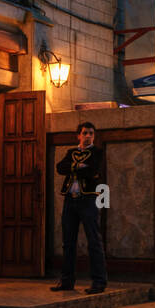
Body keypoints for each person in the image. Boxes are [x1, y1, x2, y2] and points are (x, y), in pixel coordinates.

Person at [50, 122, 108, 293]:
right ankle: (67, 281)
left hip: (88, 199)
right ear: (79, 135)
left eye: (91, 133)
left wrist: (75, 169)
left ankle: (99, 282)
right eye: (85, 133)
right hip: (70, 199)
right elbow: (60, 168)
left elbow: (93, 171)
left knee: (94, 241)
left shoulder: (97, 152)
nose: (88, 136)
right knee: (68, 242)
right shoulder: (71, 152)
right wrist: (79, 167)